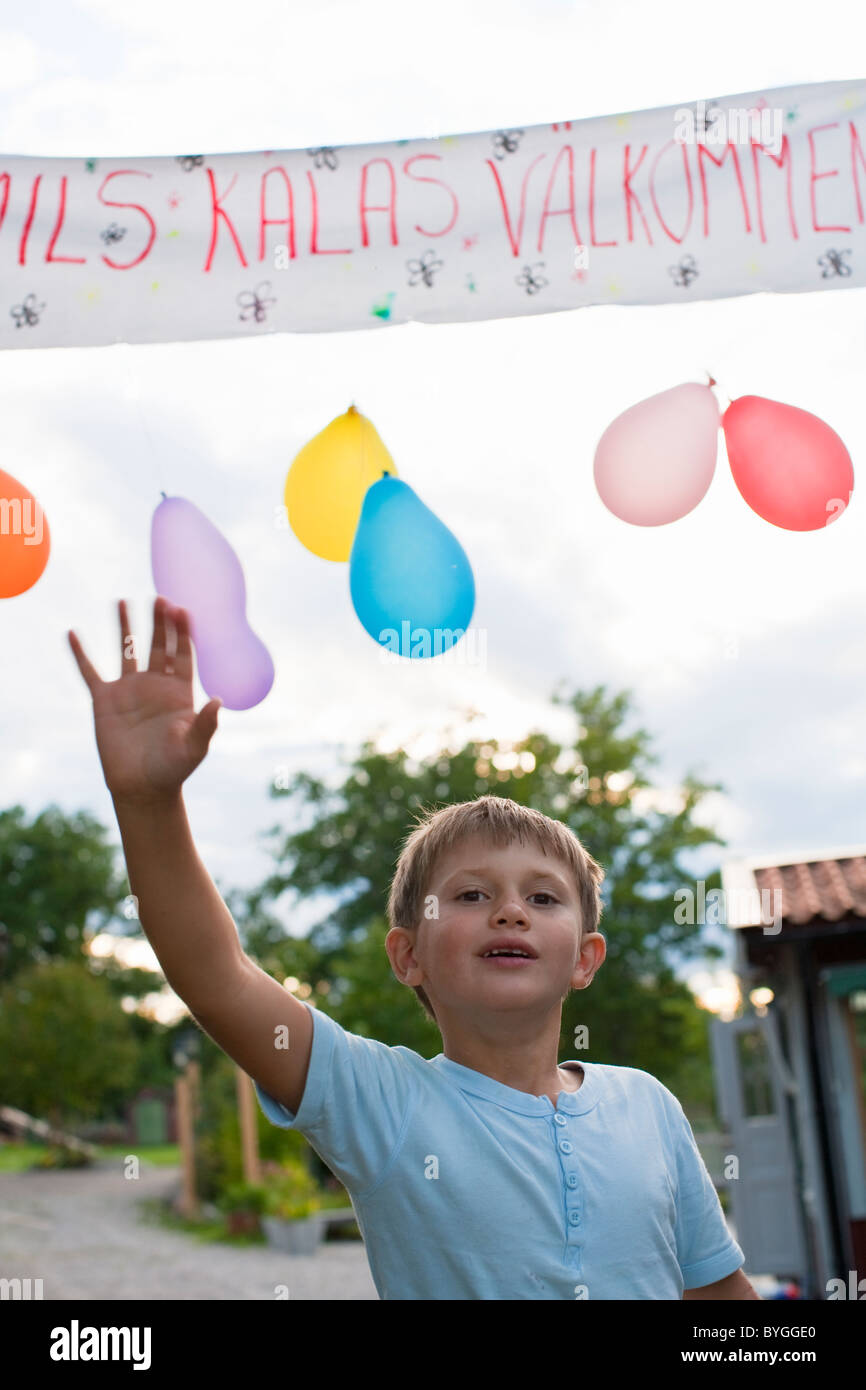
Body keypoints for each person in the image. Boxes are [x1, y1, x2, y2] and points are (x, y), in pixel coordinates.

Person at [68, 595, 759, 1301]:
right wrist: (150, 804)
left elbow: (721, 1296)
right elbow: (218, 977)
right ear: (408, 957)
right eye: (470, 896)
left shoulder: (649, 1106)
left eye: (544, 898)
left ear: (585, 957)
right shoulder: (381, 1103)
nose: (511, 912)